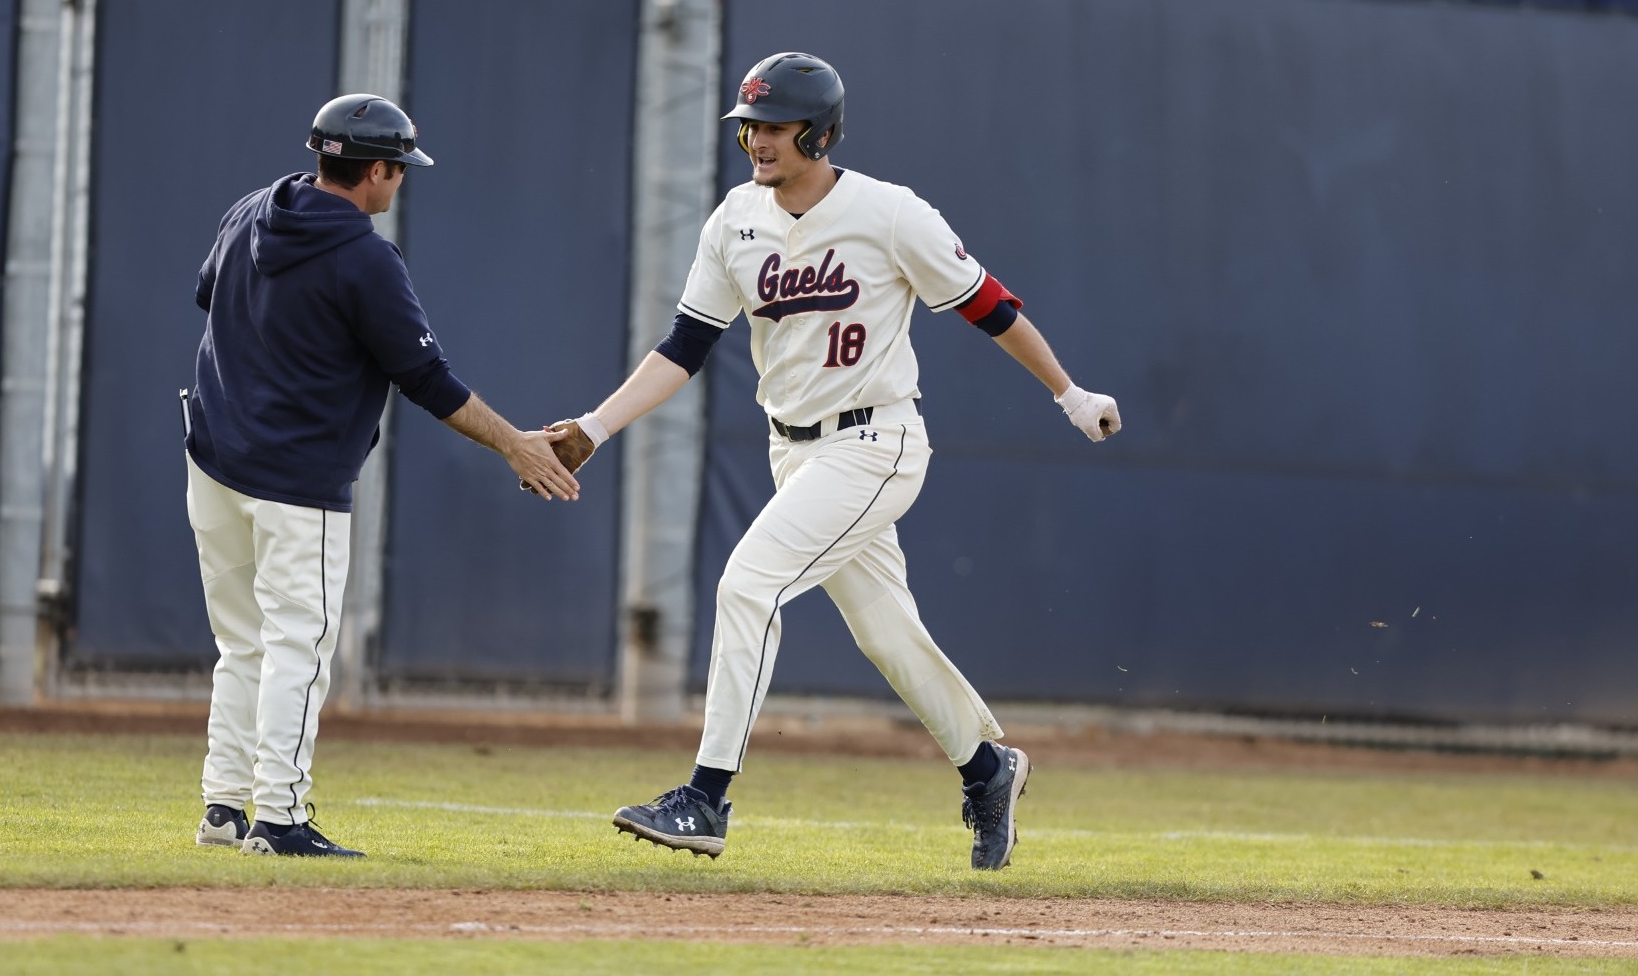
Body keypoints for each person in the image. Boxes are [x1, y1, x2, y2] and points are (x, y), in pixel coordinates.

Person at [560, 53, 1120, 870]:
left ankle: (705, 798)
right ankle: (986, 767)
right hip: (793, 449)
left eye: (774, 126)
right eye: (748, 126)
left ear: (819, 133)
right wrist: (595, 426)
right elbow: (684, 346)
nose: (756, 140)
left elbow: (990, 306)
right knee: (886, 632)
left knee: (747, 584)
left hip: (874, 443)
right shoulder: (734, 220)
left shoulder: (888, 213)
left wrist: (1068, 393)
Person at [184, 93, 580, 858]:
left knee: (242, 643)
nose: (399, 181)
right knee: (298, 644)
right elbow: (425, 376)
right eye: (398, 169)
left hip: (214, 458)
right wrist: (516, 445)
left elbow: (210, 296)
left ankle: (224, 807)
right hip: (296, 480)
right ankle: (277, 817)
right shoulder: (364, 256)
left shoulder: (250, 210)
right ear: (375, 171)